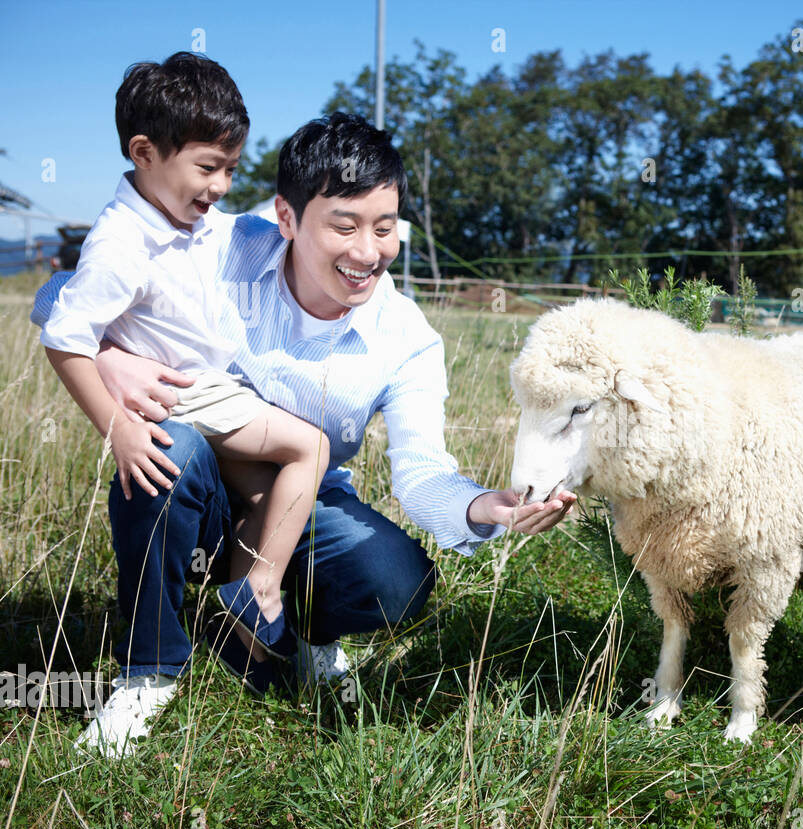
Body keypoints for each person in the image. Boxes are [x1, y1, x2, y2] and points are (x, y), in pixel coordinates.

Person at [32, 110, 575, 758]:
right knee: (169, 445)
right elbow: (64, 290)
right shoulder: (222, 247)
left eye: (383, 227)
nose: (366, 252)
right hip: (200, 478)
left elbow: (422, 471)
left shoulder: (407, 341)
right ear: (288, 219)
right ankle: (149, 668)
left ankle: (302, 630)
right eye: (343, 226)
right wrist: (112, 357)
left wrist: (484, 505)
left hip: (303, 502)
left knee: (398, 581)